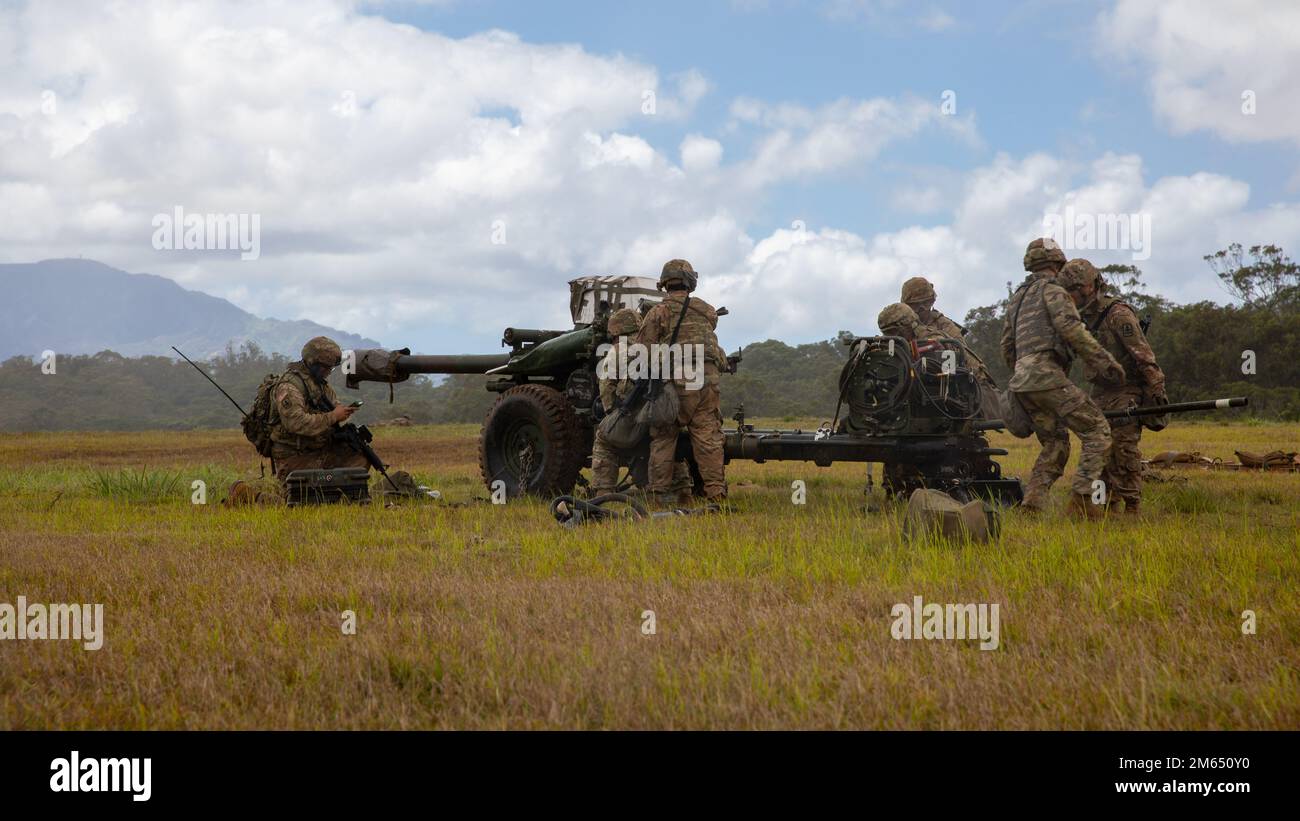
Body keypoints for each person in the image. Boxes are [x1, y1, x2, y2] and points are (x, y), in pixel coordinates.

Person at [1000, 239, 1124, 518]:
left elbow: (1006, 346)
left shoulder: (1017, 298)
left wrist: (1023, 372)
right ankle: (1082, 502)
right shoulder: (1054, 290)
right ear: (1058, 264)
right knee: (1097, 431)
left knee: (1056, 444)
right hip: (1046, 377)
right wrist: (1104, 361)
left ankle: (1031, 505)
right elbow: (1071, 329)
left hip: (1021, 382)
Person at [1062, 258, 1167, 516]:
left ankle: (1132, 508)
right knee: (1100, 452)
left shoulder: (1118, 314)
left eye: (1079, 288)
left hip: (1126, 390)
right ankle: (1107, 506)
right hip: (1100, 393)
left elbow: (1143, 356)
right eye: (1071, 291)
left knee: (1124, 450)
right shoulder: (1080, 320)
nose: (1076, 295)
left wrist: (1156, 390)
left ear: (1092, 285)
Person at [636, 259, 727, 505]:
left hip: (675, 381)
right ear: (690, 282)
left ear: (665, 284)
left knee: (664, 436)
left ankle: (658, 496)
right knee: (708, 436)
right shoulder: (706, 310)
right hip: (708, 381)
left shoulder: (658, 312)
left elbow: (643, 350)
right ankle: (716, 495)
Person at [269, 336, 368, 483]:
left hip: (317, 450)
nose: (328, 371)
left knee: (360, 455)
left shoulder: (318, 384)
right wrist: (333, 416)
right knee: (305, 495)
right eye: (325, 367)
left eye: (331, 367)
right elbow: (296, 423)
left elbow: (334, 406)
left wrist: (342, 413)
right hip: (294, 457)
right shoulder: (289, 387)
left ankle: (338, 493)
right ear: (312, 363)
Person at [878, 303, 1000, 420]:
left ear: (908, 325)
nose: (889, 336)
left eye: (893, 332)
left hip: (974, 389)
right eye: (885, 333)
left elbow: (943, 377)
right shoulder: (899, 344)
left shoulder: (932, 340)